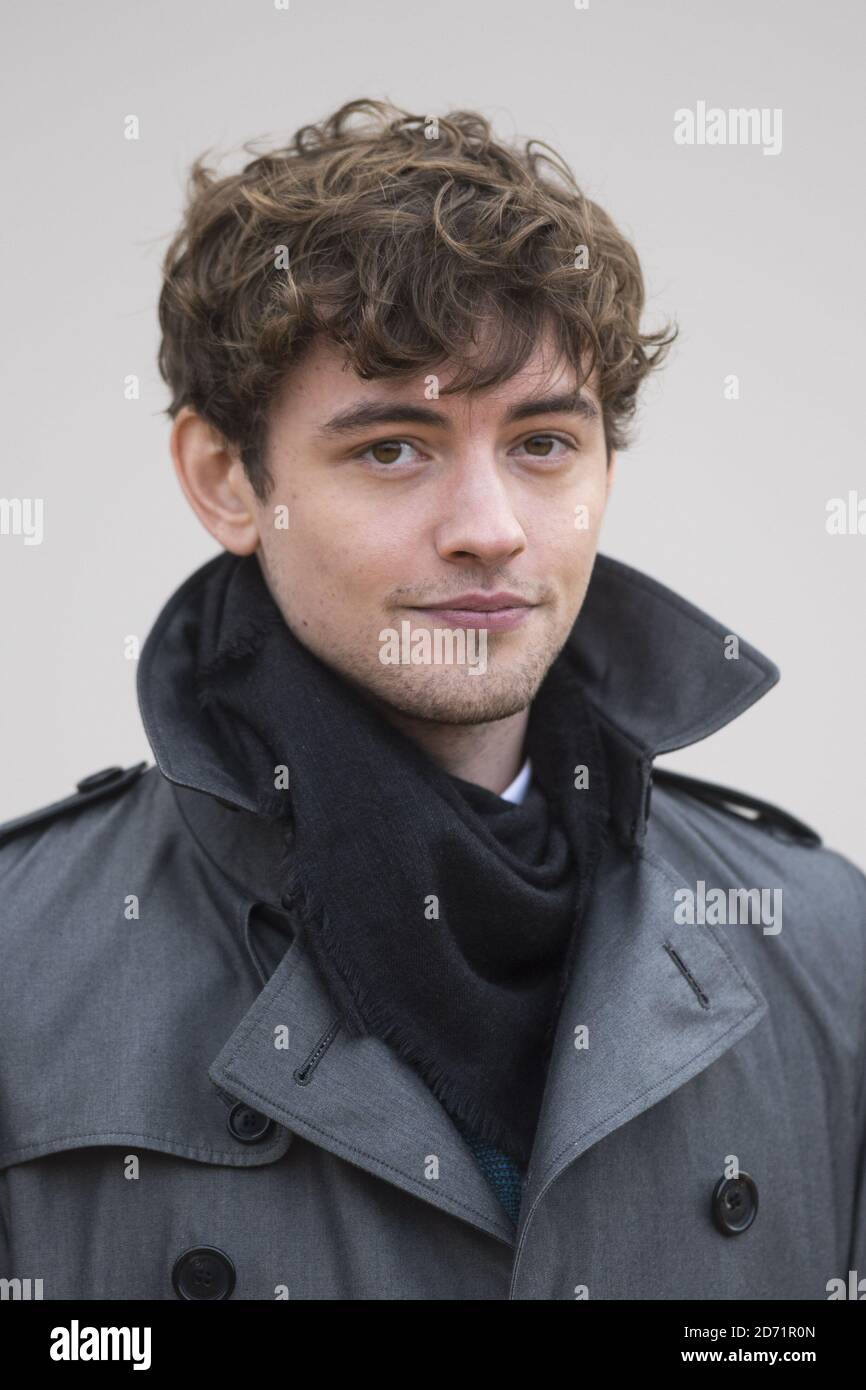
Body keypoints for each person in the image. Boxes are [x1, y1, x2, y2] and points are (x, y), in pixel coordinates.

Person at [1, 98, 863, 1302]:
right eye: (392, 447)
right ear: (224, 480)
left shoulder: (822, 942)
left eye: (542, 441)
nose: (488, 529)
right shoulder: (20, 963)